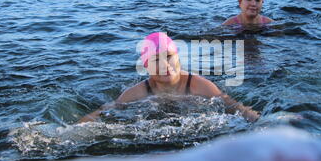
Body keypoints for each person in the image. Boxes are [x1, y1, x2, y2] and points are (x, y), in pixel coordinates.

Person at [78, 32, 260, 123]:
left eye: (169, 57)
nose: (165, 65)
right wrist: (70, 131)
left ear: (178, 57)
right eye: (156, 60)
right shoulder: (137, 93)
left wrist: (262, 122)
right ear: (146, 66)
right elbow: (104, 112)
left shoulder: (199, 86)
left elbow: (234, 106)